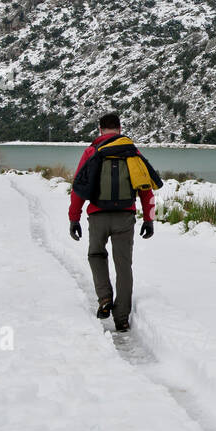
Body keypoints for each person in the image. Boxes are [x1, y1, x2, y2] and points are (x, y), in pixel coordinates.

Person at [68, 113, 157, 332]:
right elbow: (146, 190)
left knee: (96, 255)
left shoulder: (91, 152)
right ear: (119, 128)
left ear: (100, 129)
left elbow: (79, 188)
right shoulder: (132, 153)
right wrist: (149, 218)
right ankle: (122, 318)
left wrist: (74, 218)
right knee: (123, 265)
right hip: (125, 217)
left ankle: (105, 299)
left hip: (97, 215)